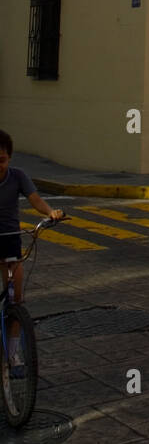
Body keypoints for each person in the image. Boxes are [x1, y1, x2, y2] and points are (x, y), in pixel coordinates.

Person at [0, 130, 63, 369]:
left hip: (10, 239)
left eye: (2, 160)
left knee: (16, 298)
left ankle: (13, 353)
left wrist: (50, 212)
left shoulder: (18, 176)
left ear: (9, 158)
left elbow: (35, 199)